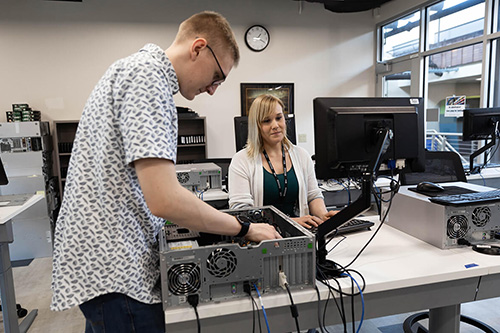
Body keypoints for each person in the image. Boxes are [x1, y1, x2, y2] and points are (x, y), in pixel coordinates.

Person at [51, 11, 280, 333]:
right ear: (198, 48)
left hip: (100, 264)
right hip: (116, 268)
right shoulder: (149, 80)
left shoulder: (133, 70)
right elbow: (164, 201)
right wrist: (244, 229)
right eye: (216, 76)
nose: (213, 89)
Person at [229, 94, 336, 229]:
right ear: (257, 126)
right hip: (264, 238)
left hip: (302, 234)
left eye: (279, 118)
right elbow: (242, 211)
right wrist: (290, 222)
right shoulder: (241, 160)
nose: (275, 125)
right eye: (266, 121)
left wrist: (323, 215)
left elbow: (313, 195)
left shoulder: (302, 155)